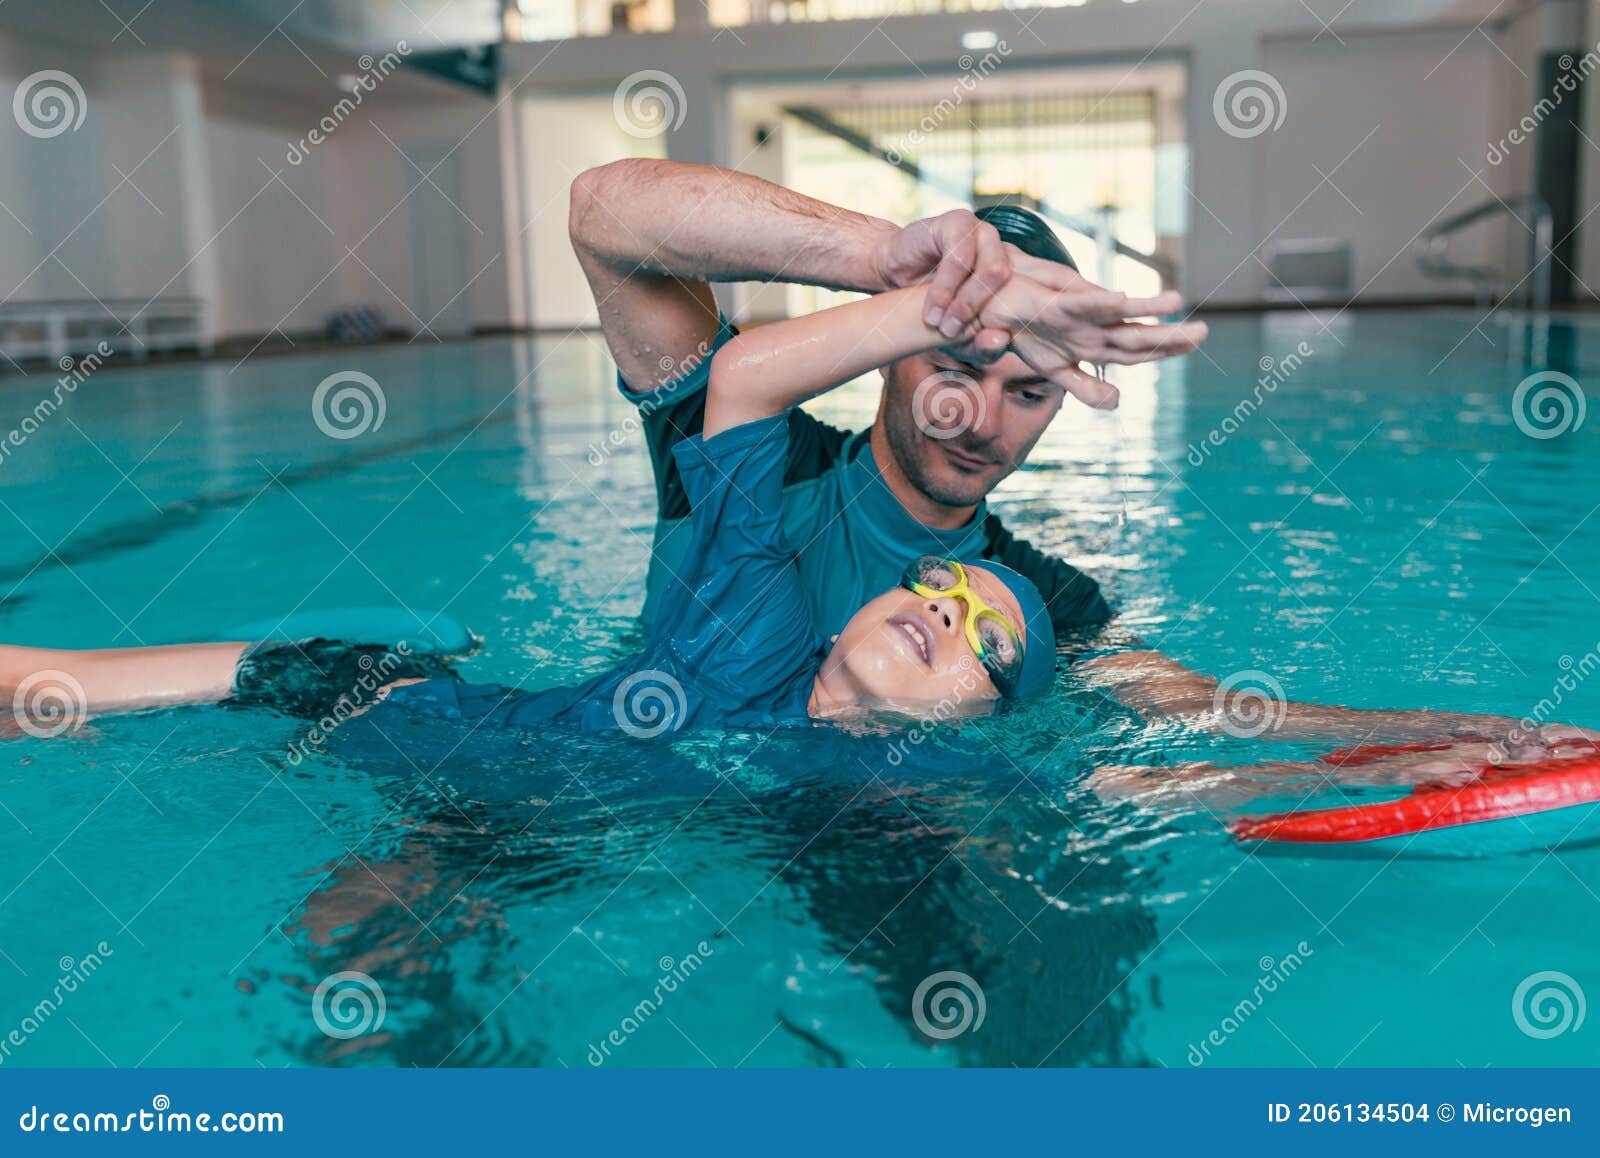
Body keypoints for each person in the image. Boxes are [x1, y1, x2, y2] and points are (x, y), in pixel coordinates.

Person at [3, 274, 1143, 738]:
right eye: (938, 589)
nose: (945, 613)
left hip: (507, 827)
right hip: (396, 716)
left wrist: (1327, 752)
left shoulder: (936, 780)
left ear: (992, 719)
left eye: (983, 642)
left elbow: (1141, 767)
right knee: (39, 684)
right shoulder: (752, 633)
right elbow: (739, 378)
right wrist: (932, 300)